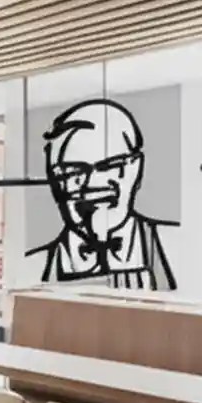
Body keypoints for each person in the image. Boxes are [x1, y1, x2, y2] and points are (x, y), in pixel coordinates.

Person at [26, 99, 177, 290]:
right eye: (73, 172)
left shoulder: (177, 250)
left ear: (135, 169)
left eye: (109, 166)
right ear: (55, 183)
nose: (93, 183)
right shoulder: (31, 270)